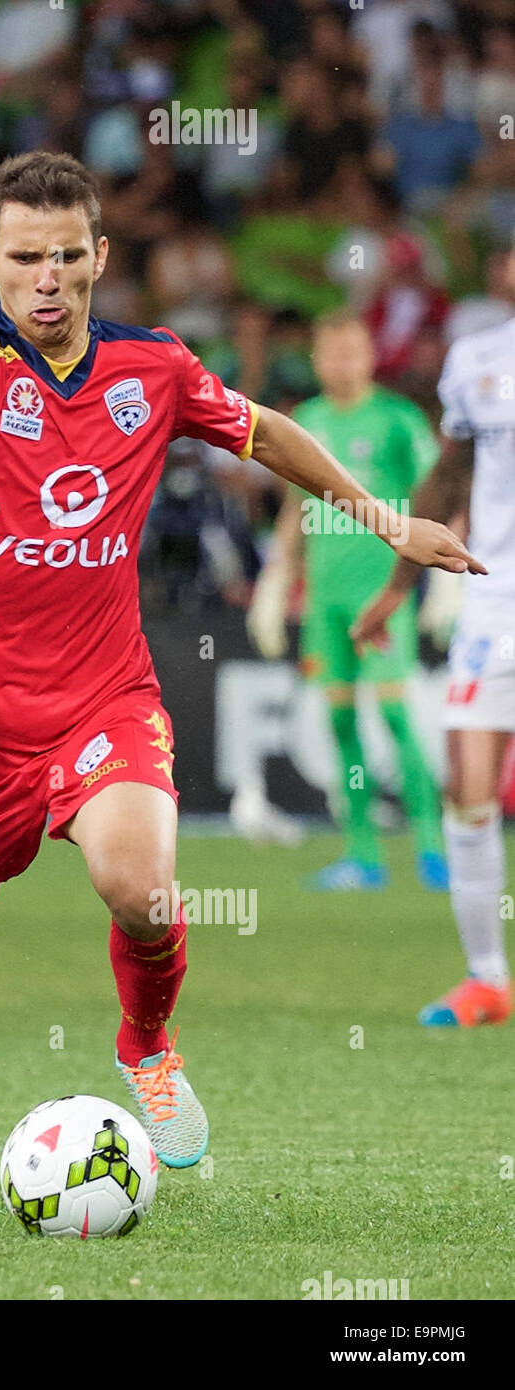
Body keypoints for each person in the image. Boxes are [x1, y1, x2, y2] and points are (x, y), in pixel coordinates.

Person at [0, 151, 480, 1203]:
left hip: (103, 701)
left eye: (68, 256)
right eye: (25, 258)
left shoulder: (150, 368)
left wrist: (385, 518)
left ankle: (146, 1044)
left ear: (100, 256)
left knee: (141, 888)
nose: (49, 278)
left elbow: (267, 433)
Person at [354, 241, 515, 1029]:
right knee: (467, 785)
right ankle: (485, 978)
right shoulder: (477, 361)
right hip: (493, 596)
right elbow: (448, 477)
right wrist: (394, 588)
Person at [247, 310, 447, 891]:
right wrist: (278, 578)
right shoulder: (305, 420)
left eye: (352, 352)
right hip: (326, 600)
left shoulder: (396, 420)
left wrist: (443, 580)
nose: (341, 363)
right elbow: (295, 509)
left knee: (393, 713)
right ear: (316, 360)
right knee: (340, 721)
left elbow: (434, 494)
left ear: (369, 356)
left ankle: (432, 846)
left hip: (381, 596)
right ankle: (364, 854)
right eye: (330, 353)